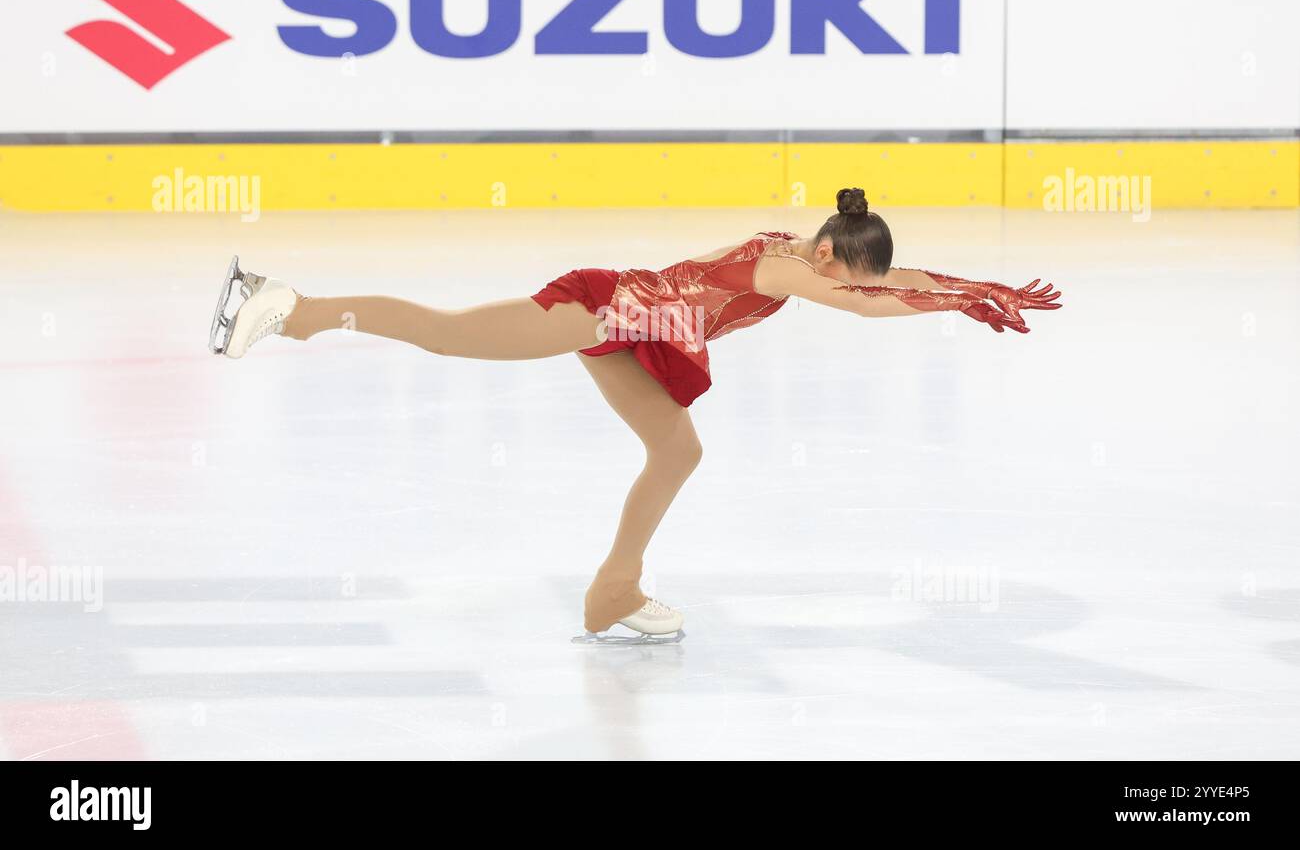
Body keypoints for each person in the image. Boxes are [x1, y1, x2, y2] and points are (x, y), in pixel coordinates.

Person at [208, 188, 1062, 643]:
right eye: (850, 274)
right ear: (831, 256)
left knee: (676, 451)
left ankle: (614, 590)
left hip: (636, 337)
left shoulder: (800, 247)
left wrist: (968, 288)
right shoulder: (792, 270)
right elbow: (871, 305)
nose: (851, 284)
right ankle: (289, 305)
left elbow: (883, 281)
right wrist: (956, 302)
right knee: (447, 336)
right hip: (605, 310)